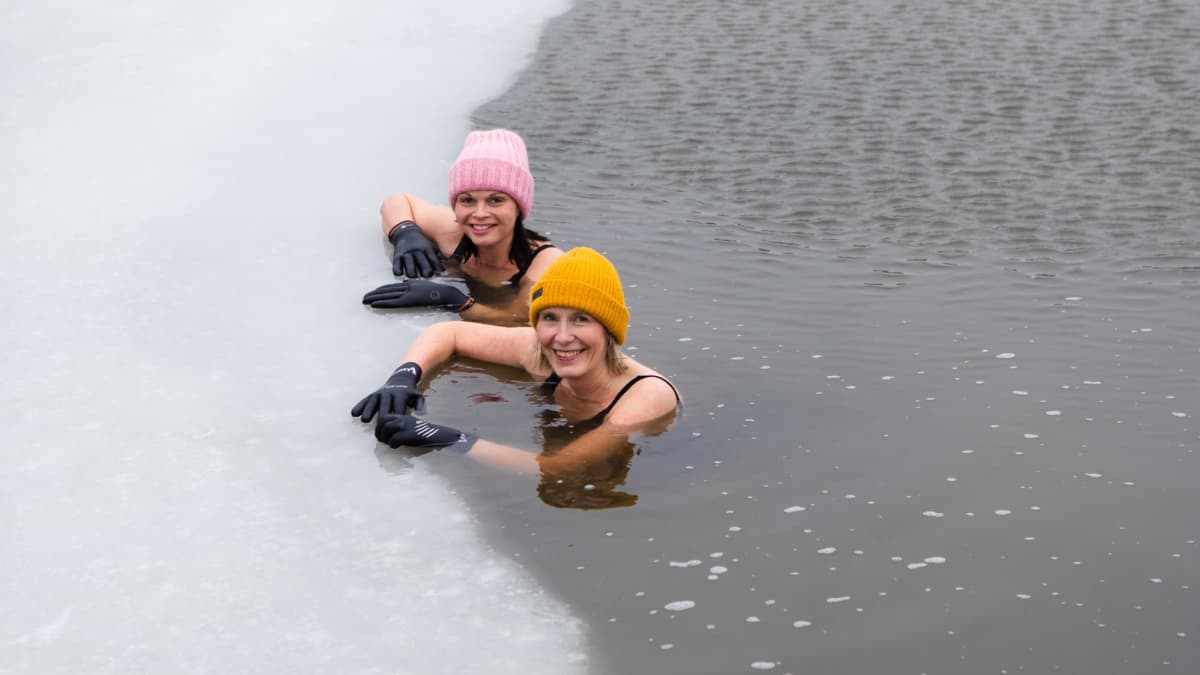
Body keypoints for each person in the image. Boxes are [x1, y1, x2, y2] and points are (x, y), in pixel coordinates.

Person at [351, 247, 681, 508]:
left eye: (581, 319)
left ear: (609, 329)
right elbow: (448, 333)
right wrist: (404, 376)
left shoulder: (646, 397)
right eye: (550, 318)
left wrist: (449, 438)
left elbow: (558, 467)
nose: (562, 337)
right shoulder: (538, 350)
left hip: (658, 474)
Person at [364, 128, 563, 325]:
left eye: (496, 200)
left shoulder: (545, 264)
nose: (480, 213)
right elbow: (396, 201)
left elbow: (518, 318)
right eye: (467, 200)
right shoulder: (453, 233)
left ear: (518, 206)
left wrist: (453, 300)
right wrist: (405, 232)